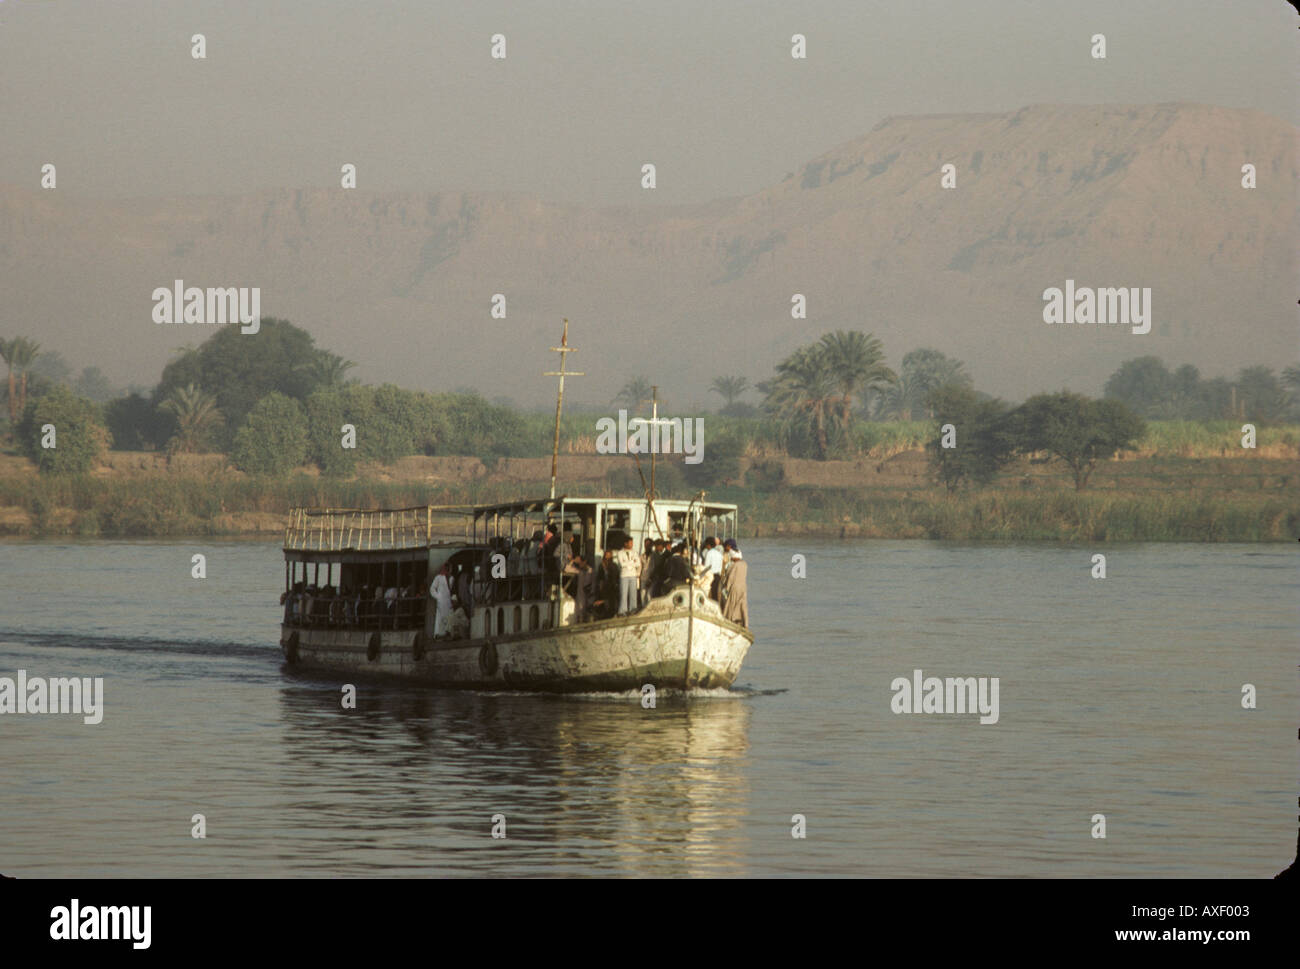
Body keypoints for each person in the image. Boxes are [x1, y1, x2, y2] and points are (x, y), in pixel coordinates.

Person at [721, 539, 748, 628]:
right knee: (742, 605)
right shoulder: (745, 564)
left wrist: (726, 588)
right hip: (743, 588)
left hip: (734, 588)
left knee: (731, 605)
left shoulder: (734, 565)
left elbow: (730, 578)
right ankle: (744, 624)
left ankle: (729, 622)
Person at [615, 536, 639, 616]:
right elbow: (622, 564)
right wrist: (632, 563)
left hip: (633, 575)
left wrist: (628, 564)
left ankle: (633, 609)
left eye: (632, 543)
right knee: (623, 593)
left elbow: (638, 563)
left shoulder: (635, 553)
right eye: (630, 543)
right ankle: (622, 611)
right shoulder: (620, 553)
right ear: (625, 543)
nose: (632, 544)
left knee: (633, 593)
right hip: (624, 575)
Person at [430, 564, 453, 638]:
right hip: (440, 601)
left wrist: (448, 576)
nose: (446, 569)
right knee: (440, 618)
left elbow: (450, 588)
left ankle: (447, 633)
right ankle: (438, 634)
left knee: (448, 617)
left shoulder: (451, 578)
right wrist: (438, 596)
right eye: (445, 567)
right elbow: (432, 589)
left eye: (448, 568)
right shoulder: (438, 578)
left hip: (448, 601)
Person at [702, 536, 724, 602]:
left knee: (708, 593)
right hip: (718, 576)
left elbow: (706, 567)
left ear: (708, 545)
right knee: (715, 594)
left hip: (710, 575)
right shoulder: (719, 554)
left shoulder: (709, 553)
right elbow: (720, 567)